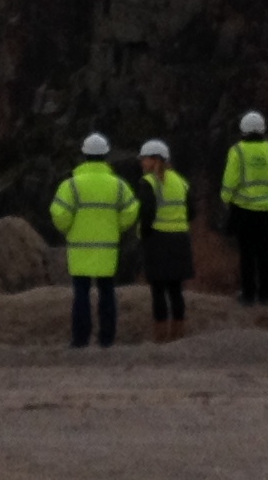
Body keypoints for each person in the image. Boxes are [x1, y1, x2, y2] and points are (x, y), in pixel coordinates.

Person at [50, 132, 141, 349]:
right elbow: (132, 209)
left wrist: (69, 230)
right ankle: (106, 339)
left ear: (84, 155)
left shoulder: (71, 185)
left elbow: (59, 214)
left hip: (80, 248)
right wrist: (117, 227)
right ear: (106, 156)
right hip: (107, 248)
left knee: (81, 294)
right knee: (107, 293)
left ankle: (80, 339)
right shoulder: (118, 185)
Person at [222, 111, 268, 305]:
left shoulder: (237, 151)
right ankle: (265, 295)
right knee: (265, 253)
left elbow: (230, 181)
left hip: (243, 211)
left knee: (247, 254)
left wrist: (226, 200)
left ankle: (248, 295)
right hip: (267, 211)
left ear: (243, 130)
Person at [134, 139, 193, 341]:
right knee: (176, 290)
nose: (142, 163)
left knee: (158, 291)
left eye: (144, 159)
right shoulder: (182, 182)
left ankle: (160, 337)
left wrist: (143, 232)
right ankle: (178, 335)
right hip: (180, 240)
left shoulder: (148, 183)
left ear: (154, 160)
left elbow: (147, 213)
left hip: (157, 240)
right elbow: (191, 211)